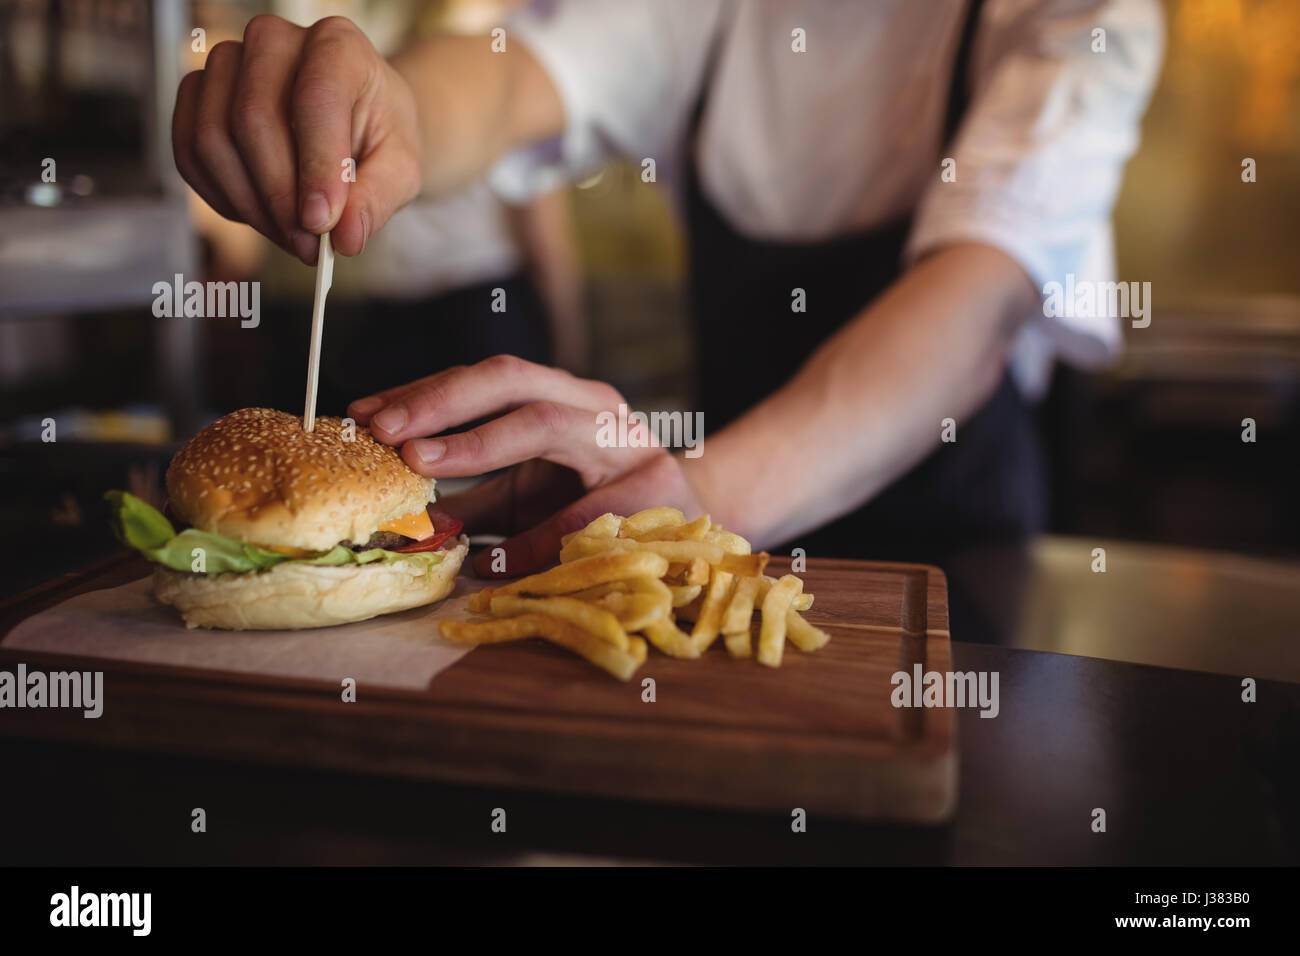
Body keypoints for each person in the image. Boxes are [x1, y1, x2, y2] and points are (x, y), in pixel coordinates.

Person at [170, 1, 1163, 598]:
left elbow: (974, 297)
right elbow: (520, 78)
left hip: (952, 576)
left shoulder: (1079, 16)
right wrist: (391, 102)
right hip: (712, 558)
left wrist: (708, 494)